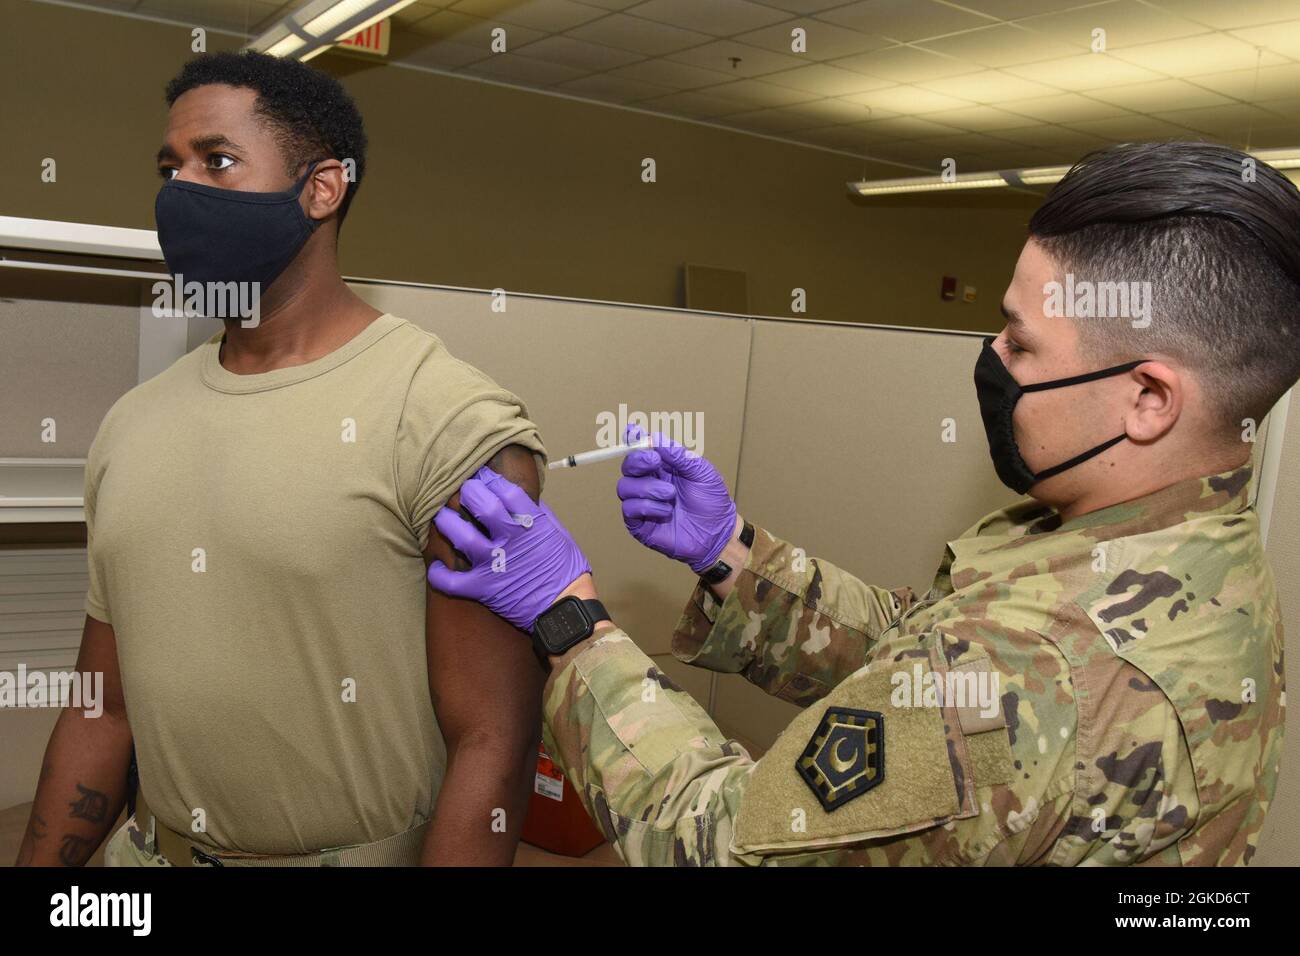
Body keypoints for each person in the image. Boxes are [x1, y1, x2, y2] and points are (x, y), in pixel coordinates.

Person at [427, 142, 1293, 866]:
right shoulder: (1179, 551)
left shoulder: (1049, 664)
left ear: (1149, 398)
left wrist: (572, 622)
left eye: (1022, 344)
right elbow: (919, 654)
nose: (991, 357)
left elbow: (723, 839)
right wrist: (732, 556)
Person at [15, 51, 547, 868]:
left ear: (322, 187)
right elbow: (102, 710)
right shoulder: (133, 423)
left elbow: (493, 742)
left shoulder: (445, 419)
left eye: (216, 161)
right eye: (169, 167)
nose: (178, 192)